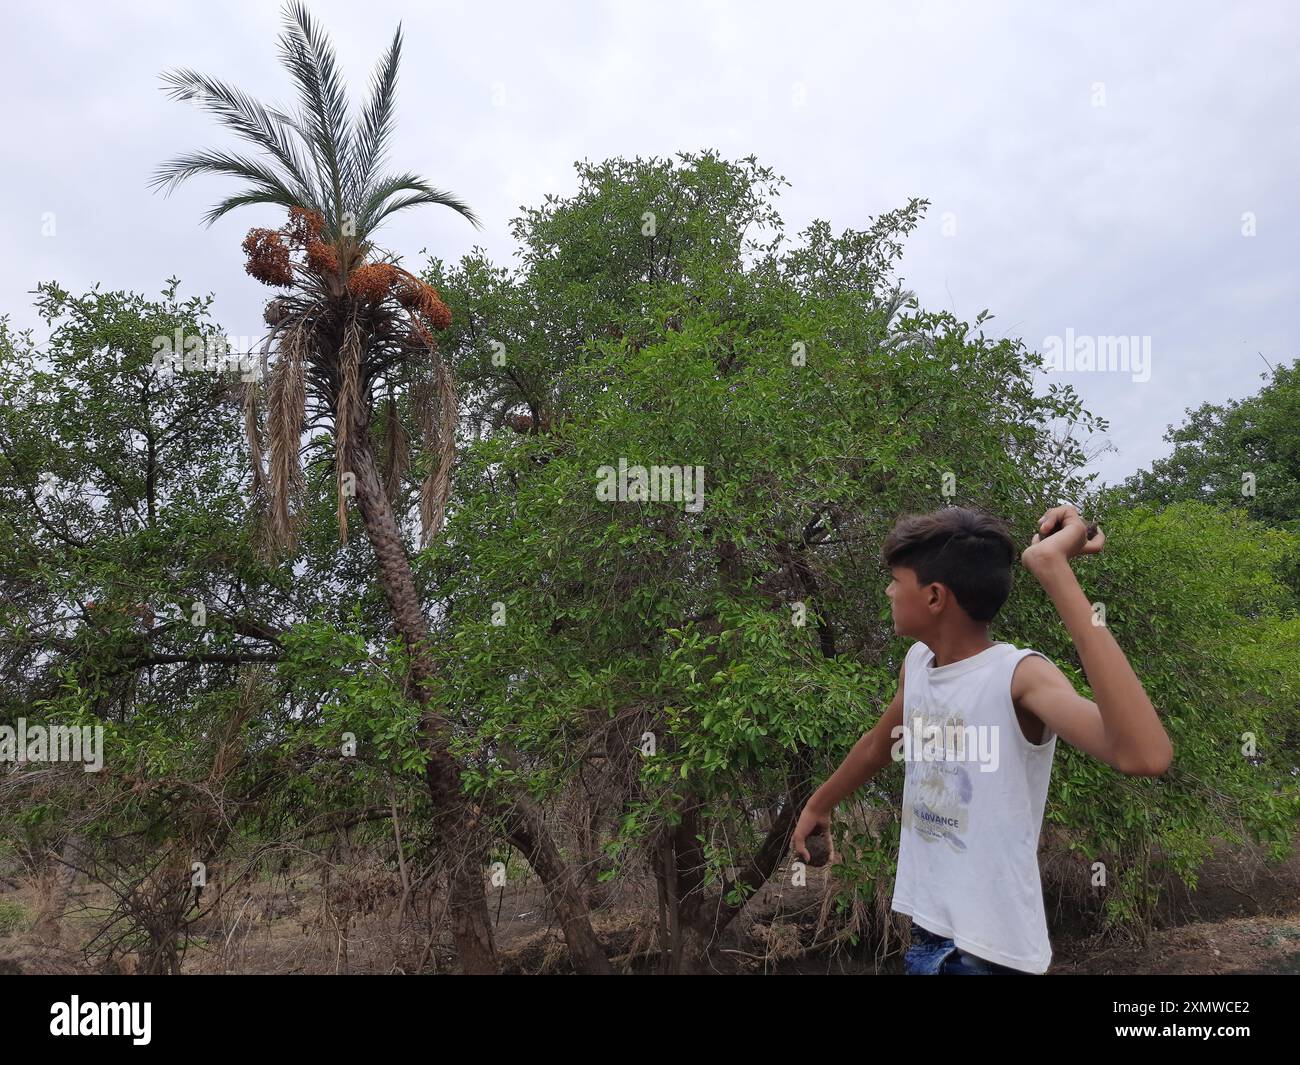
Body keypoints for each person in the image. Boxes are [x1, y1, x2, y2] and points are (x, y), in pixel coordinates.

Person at [791, 503, 1173, 974]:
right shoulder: (919, 663)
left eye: (896, 580)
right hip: (929, 929)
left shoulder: (1019, 676)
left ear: (934, 597)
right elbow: (879, 743)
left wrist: (1052, 568)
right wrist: (820, 803)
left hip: (988, 949)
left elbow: (1144, 754)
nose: (889, 591)